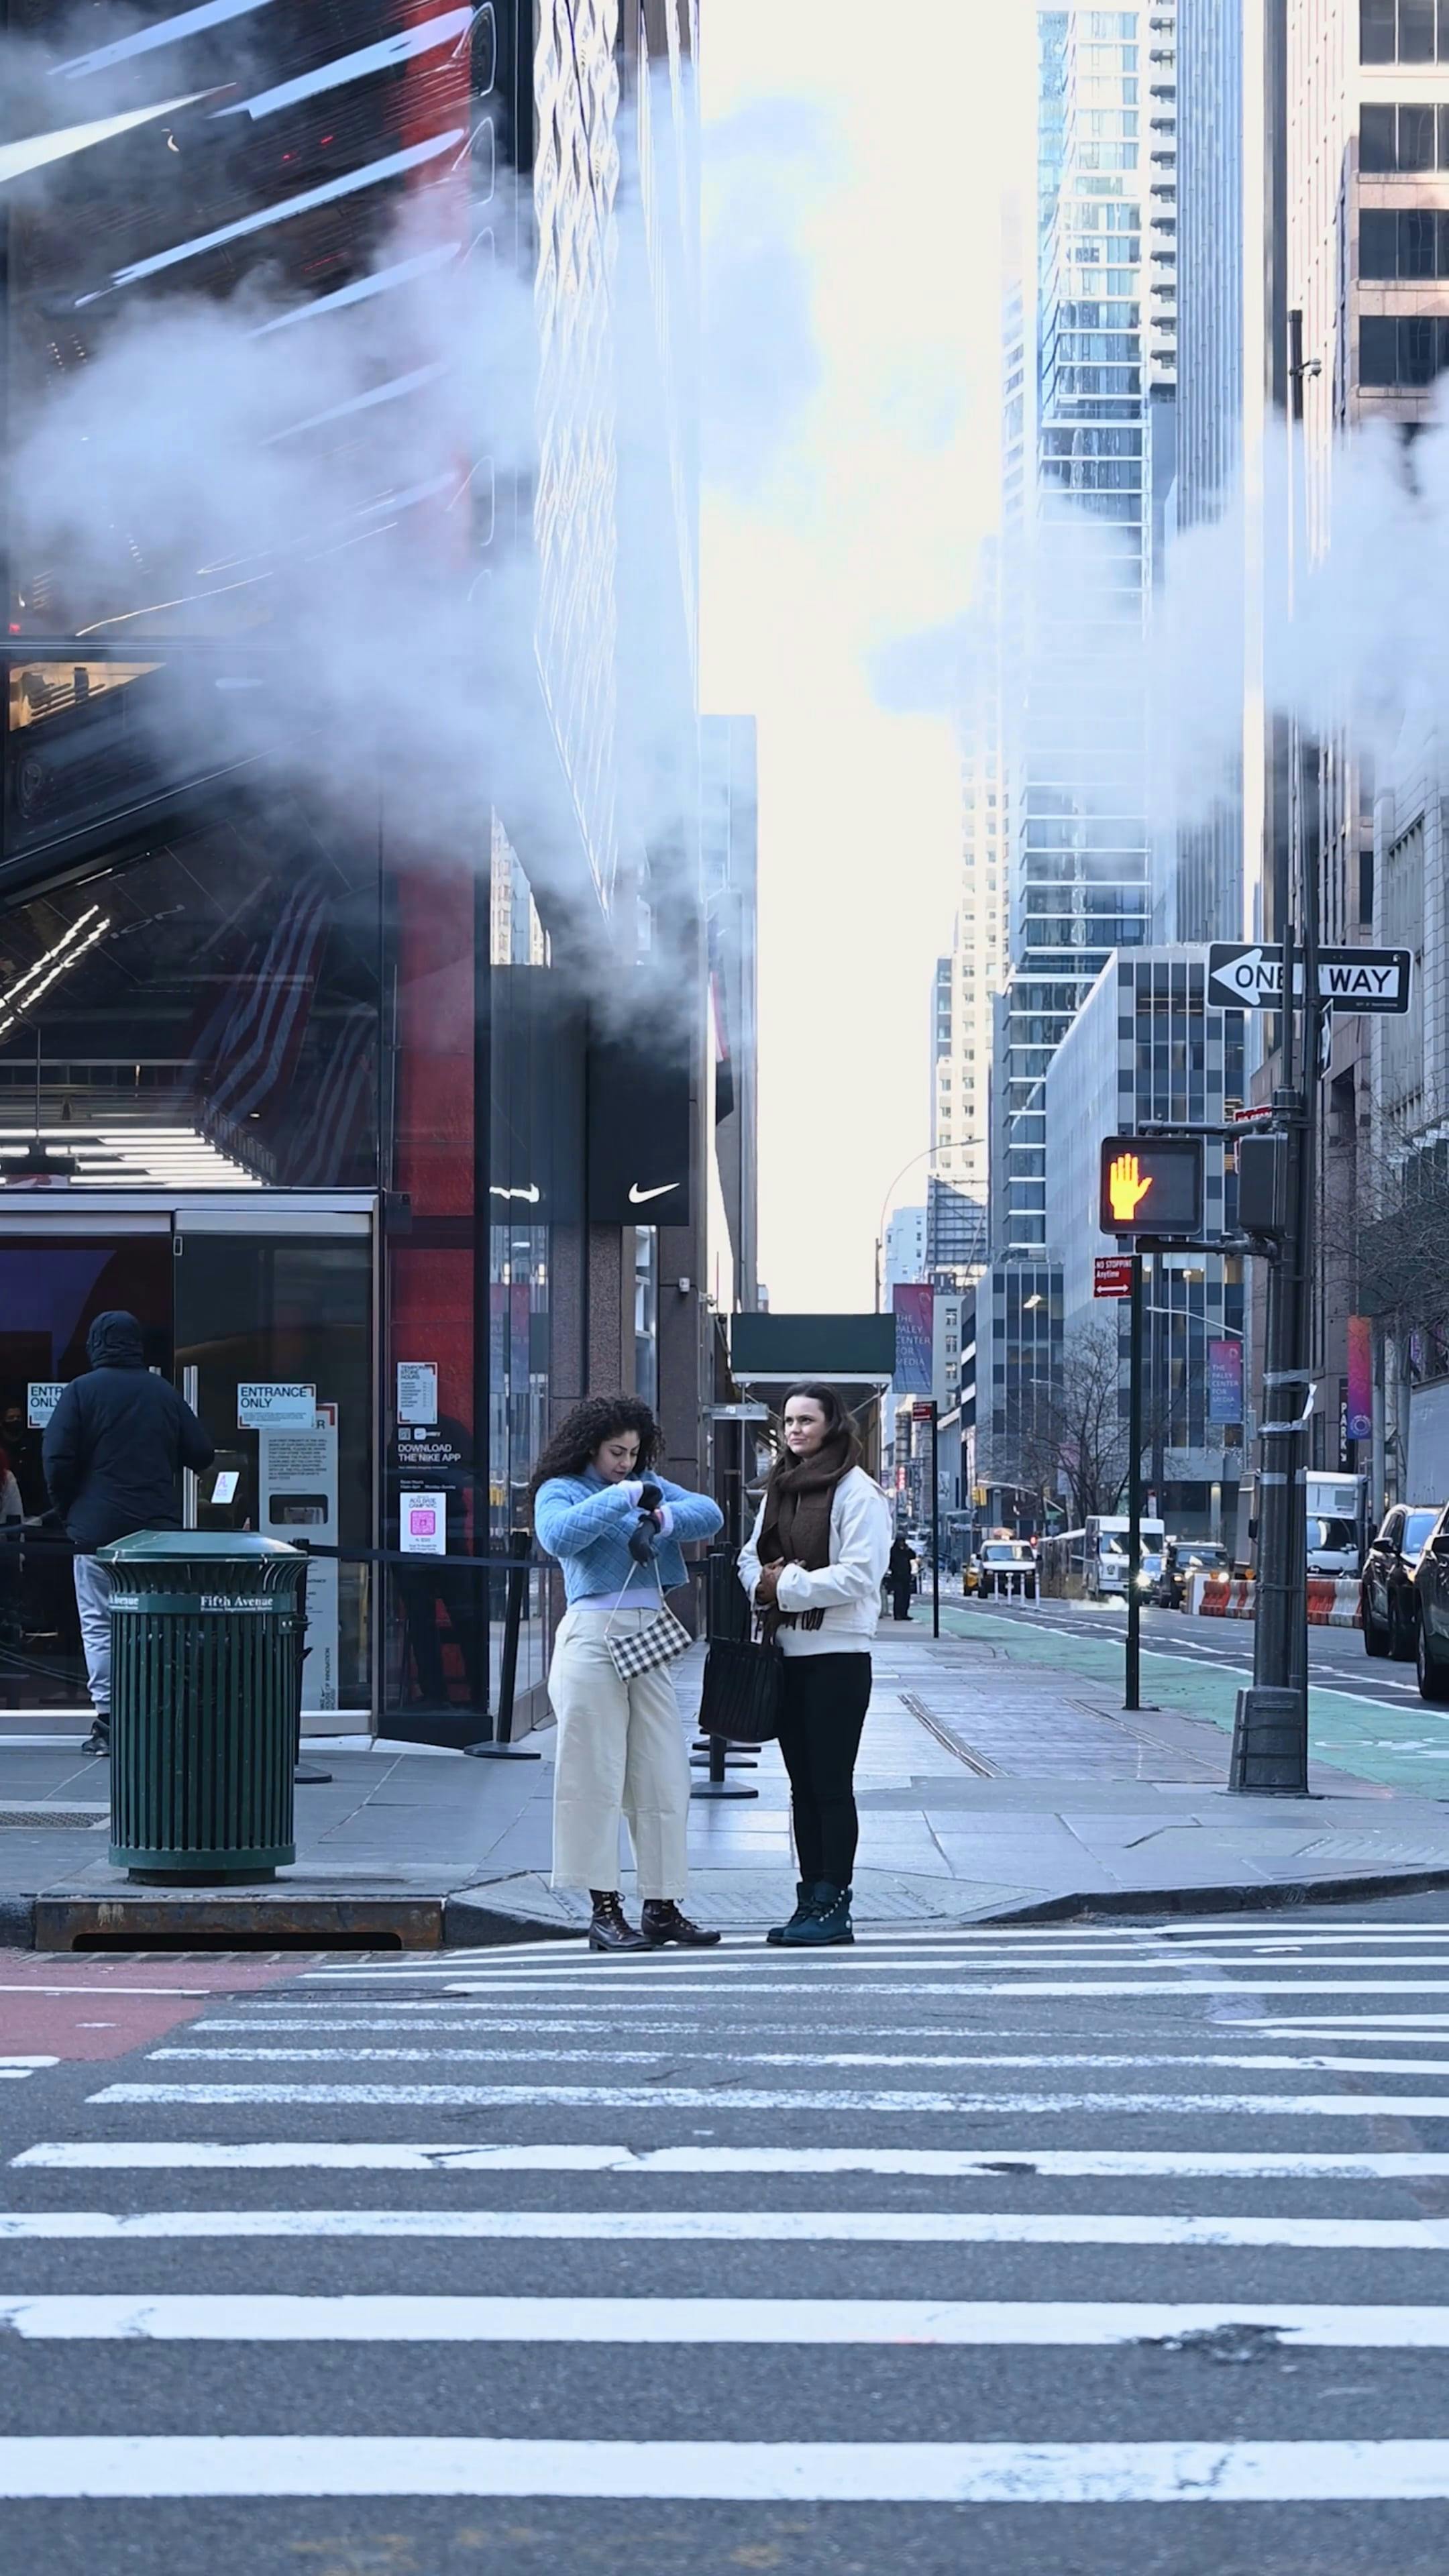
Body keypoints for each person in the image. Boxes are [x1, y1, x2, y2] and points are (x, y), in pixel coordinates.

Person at [531, 1393, 724, 1953]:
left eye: (635, 1453)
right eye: (617, 1452)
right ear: (590, 1446)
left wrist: (659, 1516)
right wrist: (623, 1499)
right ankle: (603, 1909)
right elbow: (558, 1537)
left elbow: (708, 1512)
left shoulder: (649, 1483)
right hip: (592, 1636)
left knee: (663, 1772)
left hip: (645, 1637)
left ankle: (662, 1906)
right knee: (593, 1775)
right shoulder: (562, 1490)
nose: (626, 1462)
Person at [739, 1381, 892, 1947]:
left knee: (830, 1785)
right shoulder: (780, 1488)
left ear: (832, 1425)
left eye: (807, 1420)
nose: (795, 1429)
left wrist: (786, 1585)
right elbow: (747, 1558)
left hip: (838, 1658)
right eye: (788, 1420)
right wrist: (762, 1581)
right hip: (787, 1656)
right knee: (802, 1787)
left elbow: (860, 1575)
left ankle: (835, 1902)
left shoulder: (859, 1492)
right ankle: (809, 1897)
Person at [42, 1313, 214, 1756]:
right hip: (156, 1534)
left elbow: (57, 1459)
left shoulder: (80, 1391)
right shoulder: (163, 1392)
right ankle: (159, 1711)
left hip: (95, 1532)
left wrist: (70, 1512)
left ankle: (110, 1719)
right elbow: (202, 1453)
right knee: (156, 1622)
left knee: (100, 1625)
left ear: (96, 1344)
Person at [888, 1530, 916, 1622]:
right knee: (899, 1596)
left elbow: (913, 1556)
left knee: (906, 1596)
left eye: (903, 1541)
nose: (901, 1543)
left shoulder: (906, 1550)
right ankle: (898, 1614)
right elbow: (890, 1563)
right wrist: (894, 1570)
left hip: (906, 1576)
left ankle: (904, 1613)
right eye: (900, 1541)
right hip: (897, 1577)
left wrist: (908, 1549)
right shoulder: (893, 1551)